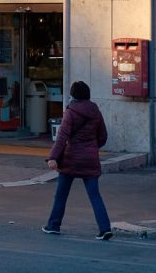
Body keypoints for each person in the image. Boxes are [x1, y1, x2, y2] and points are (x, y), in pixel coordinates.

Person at [42, 80, 112, 240]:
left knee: (61, 194)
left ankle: (53, 225)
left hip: (71, 159)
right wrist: (92, 147)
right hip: (91, 159)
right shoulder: (96, 111)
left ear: (73, 95)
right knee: (95, 195)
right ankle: (105, 228)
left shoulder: (71, 112)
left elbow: (62, 136)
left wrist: (52, 157)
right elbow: (103, 136)